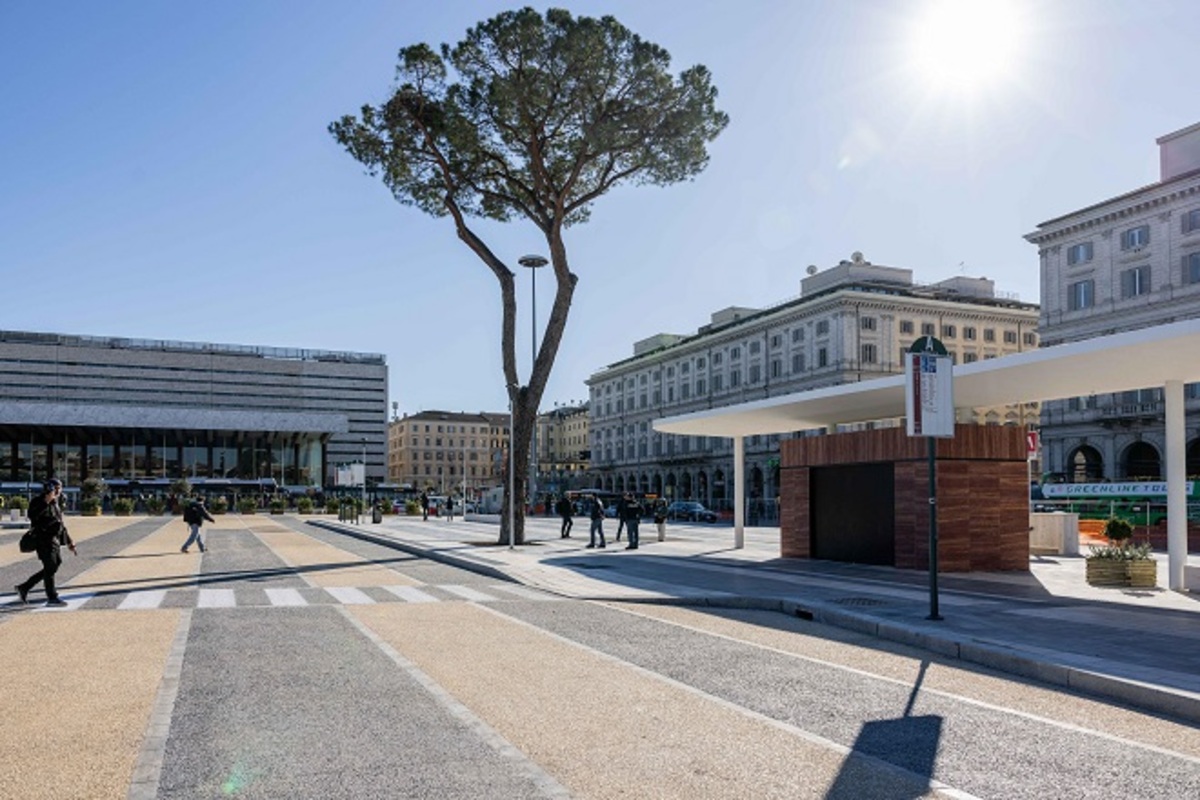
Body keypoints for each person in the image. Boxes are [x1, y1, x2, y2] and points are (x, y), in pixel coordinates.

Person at [15, 479, 76, 607]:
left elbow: (61, 525)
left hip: (54, 540)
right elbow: (32, 516)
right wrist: (46, 502)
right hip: (42, 540)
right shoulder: (39, 501)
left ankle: (24, 587)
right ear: (50, 489)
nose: (59, 491)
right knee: (51, 566)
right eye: (56, 488)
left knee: (55, 564)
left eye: (60, 488)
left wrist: (69, 542)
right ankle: (52, 597)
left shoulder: (56, 503)